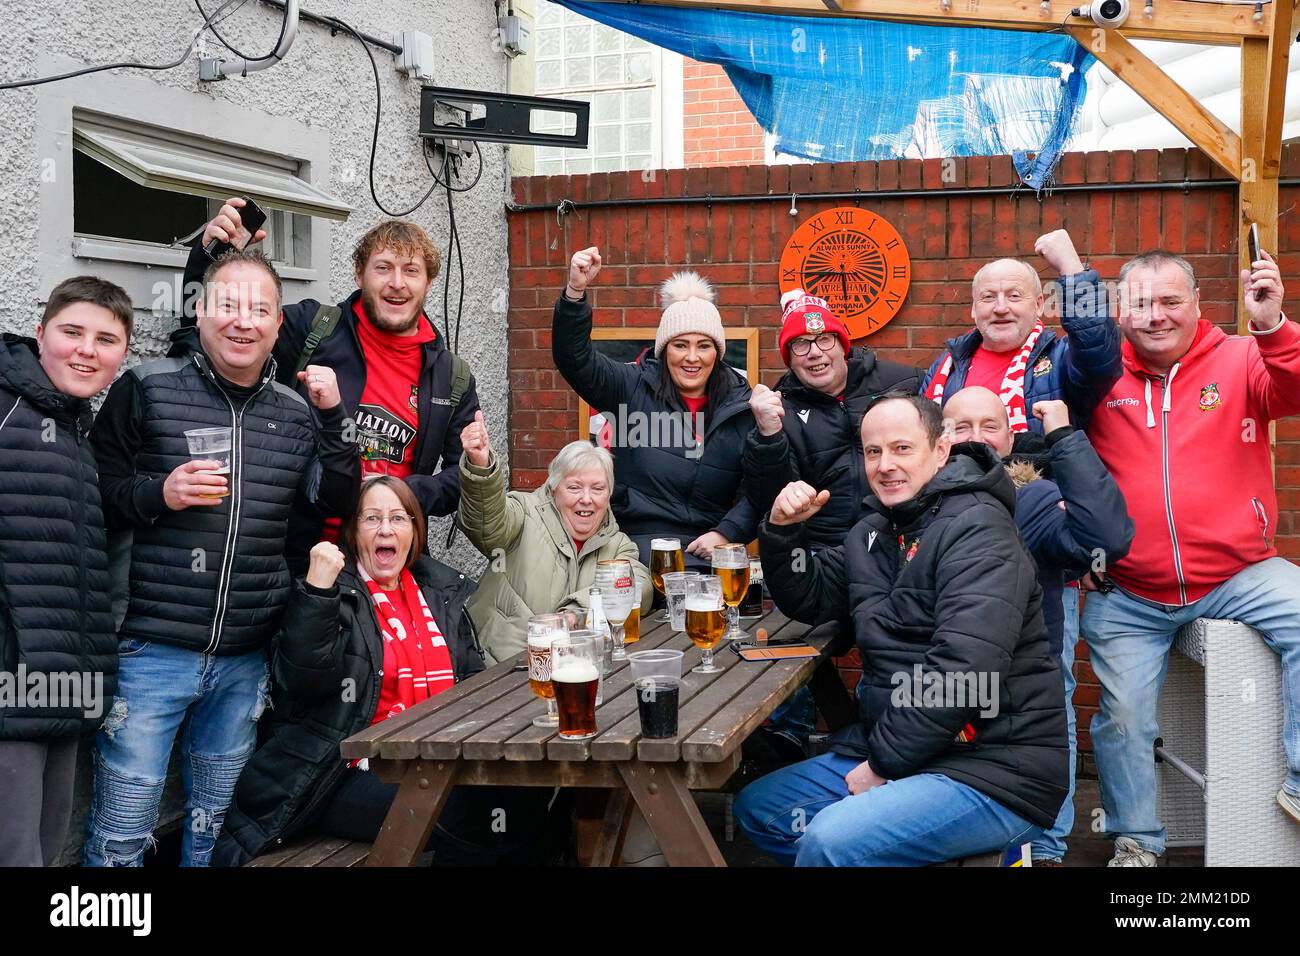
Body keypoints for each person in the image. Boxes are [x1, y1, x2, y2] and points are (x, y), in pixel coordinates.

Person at [84, 250, 359, 867]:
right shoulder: (148, 386)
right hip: (150, 650)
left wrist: (336, 420)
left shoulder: (294, 413)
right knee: (123, 828)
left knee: (215, 835)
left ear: (277, 323)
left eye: (260, 309)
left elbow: (331, 502)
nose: (244, 322)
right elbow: (95, 494)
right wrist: (162, 492)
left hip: (244, 657)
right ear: (201, 312)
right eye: (228, 305)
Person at [736, 394, 1067, 866]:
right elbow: (809, 596)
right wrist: (783, 531)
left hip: (993, 767)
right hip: (903, 746)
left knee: (830, 840)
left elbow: (964, 669)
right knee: (762, 810)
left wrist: (884, 766)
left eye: (901, 449)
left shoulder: (979, 528)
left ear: (940, 449)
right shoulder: (875, 531)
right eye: (873, 452)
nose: (885, 465)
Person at [212, 477, 559, 865]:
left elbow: (470, 684)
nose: (386, 529)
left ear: (415, 531)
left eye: (399, 518)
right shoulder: (333, 593)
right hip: (339, 774)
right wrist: (317, 594)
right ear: (352, 531)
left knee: (530, 791)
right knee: (466, 808)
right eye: (371, 518)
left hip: (435, 757)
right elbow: (302, 678)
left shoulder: (438, 595)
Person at [1083, 247, 1300, 866]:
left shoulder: (1240, 356)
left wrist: (1272, 326)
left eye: (1171, 301)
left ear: (1197, 306)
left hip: (1239, 573)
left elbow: (1294, 387)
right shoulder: (1097, 374)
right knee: (1123, 717)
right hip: (1128, 588)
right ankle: (1137, 839)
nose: (1156, 316)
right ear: (1120, 311)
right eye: (1142, 303)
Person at [180, 199, 480, 570]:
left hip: (389, 560)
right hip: (297, 554)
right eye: (383, 268)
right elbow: (215, 337)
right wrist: (214, 260)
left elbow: (461, 478)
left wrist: (398, 494)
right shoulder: (313, 328)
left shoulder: (452, 377)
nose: (397, 283)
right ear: (359, 274)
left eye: (411, 271)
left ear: (429, 282)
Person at [942, 386, 1133, 865]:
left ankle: (1045, 845)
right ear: (940, 438)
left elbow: (1107, 538)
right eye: (962, 427)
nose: (977, 438)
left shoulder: (1034, 498)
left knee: (1047, 732)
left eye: (990, 426)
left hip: (1024, 684)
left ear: (1009, 437)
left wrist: (1065, 439)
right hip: (948, 683)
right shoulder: (919, 500)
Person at [0, 277, 132, 867]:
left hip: (63, 681)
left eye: (106, 339)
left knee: (48, 847)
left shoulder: (71, 423)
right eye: (71, 332)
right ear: (39, 335)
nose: (86, 350)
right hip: (12, 683)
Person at [552, 246, 758, 566]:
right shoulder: (631, 385)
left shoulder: (742, 405)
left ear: (717, 353)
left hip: (711, 549)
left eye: (704, 346)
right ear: (664, 350)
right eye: (680, 345)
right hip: (638, 547)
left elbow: (759, 489)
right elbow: (574, 359)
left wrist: (727, 532)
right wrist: (575, 294)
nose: (692, 357)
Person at [457, 412, 652, 665]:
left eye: (598, 489)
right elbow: (486, 524)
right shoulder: (524, 512)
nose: (586, 498)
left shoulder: (617, 545)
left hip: (573, 672)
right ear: (553, 489)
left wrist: (576, 613)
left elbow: (641, 586)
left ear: (609, 495)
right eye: (574, 487)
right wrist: (481, 469)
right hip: (495, 669)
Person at [744, 289, 921, 550]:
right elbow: (771, 500)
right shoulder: (780, 411)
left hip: (902, 539)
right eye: (800, 344)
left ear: (842, 346)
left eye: (824, 339)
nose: (815, 352)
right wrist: (768, 436)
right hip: (824, 549)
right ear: (789, 360)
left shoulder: (906, 383)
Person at [921, 229, 1120, 434]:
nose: (1000, 308)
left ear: (1039, 304)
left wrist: (1072, 269)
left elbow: (1099, 356)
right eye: (988, 297)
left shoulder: (1062, 359)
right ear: (973, 308)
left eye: (1014, 296)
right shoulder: (947, 366)